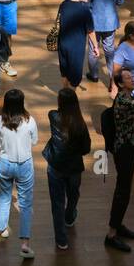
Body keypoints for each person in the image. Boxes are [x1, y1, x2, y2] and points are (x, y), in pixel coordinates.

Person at [101, 69, 134, 252]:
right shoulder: (124, 100)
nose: (133, 78)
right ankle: (111, 233)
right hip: (124, 149)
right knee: (122, 191)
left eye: (133, 76)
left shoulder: (128, 97)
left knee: (125, 189)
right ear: (121, 84)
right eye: (129, 78)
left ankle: (118, 224)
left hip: (129, 147)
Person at [0, 88, 38, 258]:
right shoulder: (30, 120)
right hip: (24, 164)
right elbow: (35, 140)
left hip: (5, 164)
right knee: (25, 204)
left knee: (4, 197)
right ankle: (24, 243)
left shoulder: (0, 122)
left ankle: (2, 227)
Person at [44, 88, 92, 250]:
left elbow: (54, 112)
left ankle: (61, 239)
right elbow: (86, 148)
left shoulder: (53, 116)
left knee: (57, 203)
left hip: (56, 167)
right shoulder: (80, 125)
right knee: (73, 194)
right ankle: (70, 215)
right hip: (74, 167)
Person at [56, 0, 99, 90]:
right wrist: (95, 47)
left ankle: (64, 93)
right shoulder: (84, 10)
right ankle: (70, 98)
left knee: (64, 71)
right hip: (76, 46)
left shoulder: (64, 4)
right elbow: (90, 31)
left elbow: (57, 22)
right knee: (75, 75)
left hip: (63, 43)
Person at [87, 0, 123, 82]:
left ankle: (94, 75)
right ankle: (112, 77)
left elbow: (87, 4)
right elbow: (120, 1)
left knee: (93, 49)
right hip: (110, 22)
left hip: (94, 23)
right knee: (109, 50)